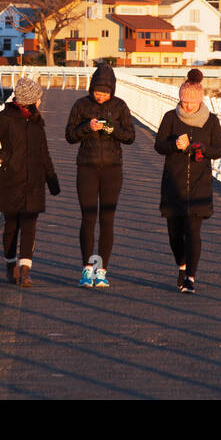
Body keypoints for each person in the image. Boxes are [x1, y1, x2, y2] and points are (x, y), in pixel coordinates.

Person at [0, 75, 60, 288]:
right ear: (31, 99)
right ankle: (10, 265)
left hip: (34, 181)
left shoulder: (36, 120)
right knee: (12, 226)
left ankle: (25, 271)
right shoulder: (5, 118)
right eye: (38, 98)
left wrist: (52, 179)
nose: (41, 102)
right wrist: (5, 158)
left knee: (29, 226)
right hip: (11, 180)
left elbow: (44, 153)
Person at [64, 62, 135, 288]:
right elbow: (69, 136)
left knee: (107, 220)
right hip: (86, 167)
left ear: (112, 90)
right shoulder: (81, 105)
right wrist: (88, 127)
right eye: (97, 91)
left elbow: (130, 137)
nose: (100, 96)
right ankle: (87, 269)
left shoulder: (120, 106)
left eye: (105, 92)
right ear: (91, 88)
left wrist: (110, 129)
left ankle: (102, 270)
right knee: (88, 218)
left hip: (112, 169)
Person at [154, 68, 221, 294]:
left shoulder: (211, 121)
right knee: (175, 236)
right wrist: (175, 144)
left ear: (200, 101)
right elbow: (159, 145)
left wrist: (202, 148)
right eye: (183, 102)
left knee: (193, 232)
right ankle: (182, 266)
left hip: (199, 185)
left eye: (191, 103)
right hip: (173, 185)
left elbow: (219, 150)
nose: (187, 106)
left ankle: (191, 278)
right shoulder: (170, 118)